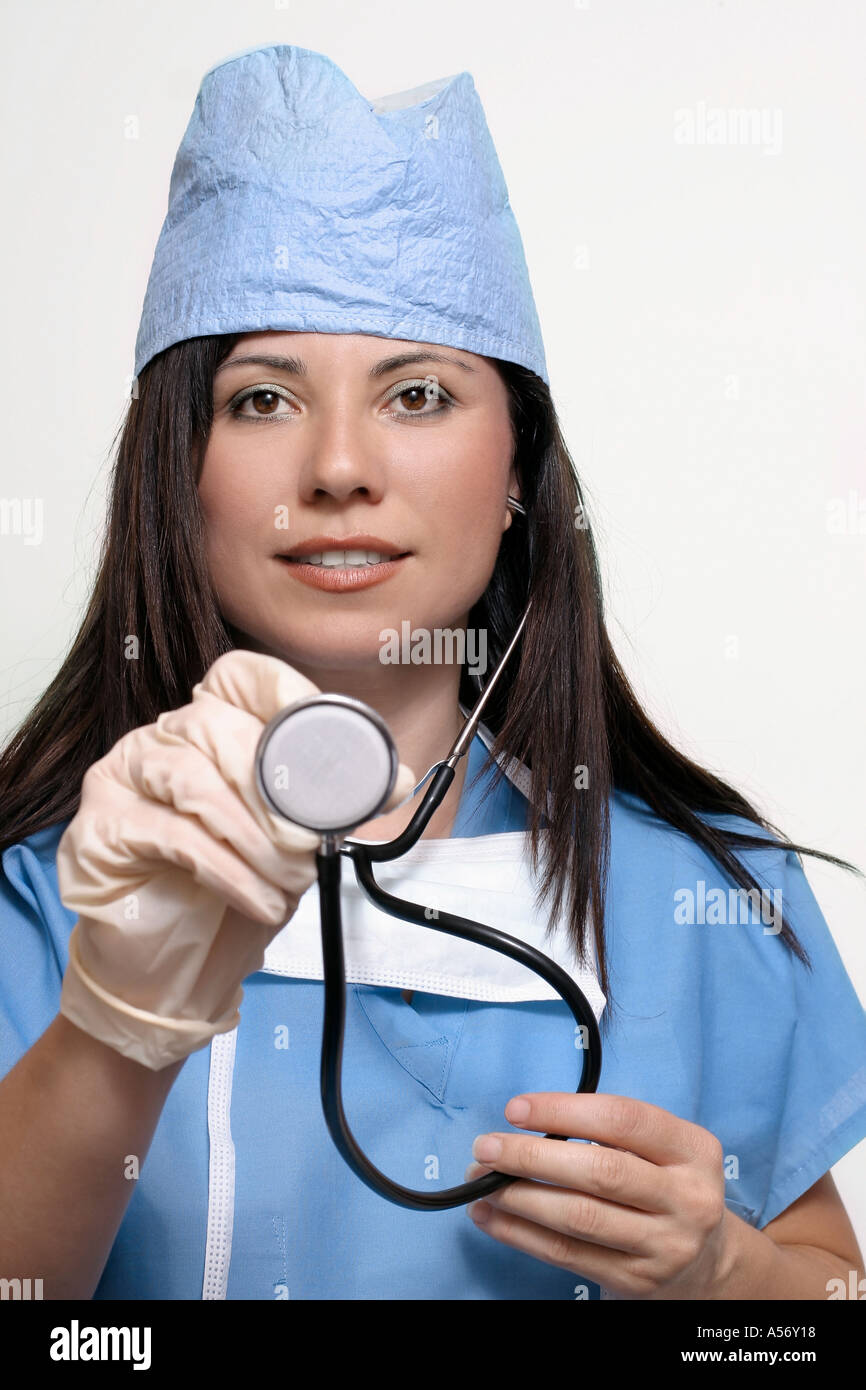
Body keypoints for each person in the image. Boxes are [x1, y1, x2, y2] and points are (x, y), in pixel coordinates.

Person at [0, 42, 864, 1302]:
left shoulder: (706, 896)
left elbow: (823, 1297)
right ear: (173, 475)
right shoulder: (41, 894)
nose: (340, 467)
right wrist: (116, 1028)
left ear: (518, 468)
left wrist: (720, 1274)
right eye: (258, 400)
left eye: (417, 392)